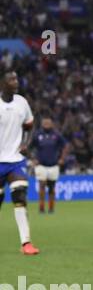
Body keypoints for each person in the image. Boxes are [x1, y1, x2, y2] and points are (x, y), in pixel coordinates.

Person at [0, 72, 39, 255]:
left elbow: (30, 126)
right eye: (11, 79)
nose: (16, 82)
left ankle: (26, 243)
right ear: (2, 83)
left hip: (15, 160)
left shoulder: (21, 102)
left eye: (17, 78)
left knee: (20, 197)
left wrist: (26, 144)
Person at [32, 117, 70, 214]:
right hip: (41, 165)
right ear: (42, 124)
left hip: (53, 165)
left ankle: (51, 208)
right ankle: (41, 208)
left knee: (52, 188)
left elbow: (66, 146)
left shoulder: (56, 135)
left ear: (52, 124)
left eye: (48, 123)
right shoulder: (37, 135)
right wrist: (33, 159)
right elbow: (30, 146)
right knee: (42, 185)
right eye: (45, 123)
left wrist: (62, 158)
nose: (46, 125)